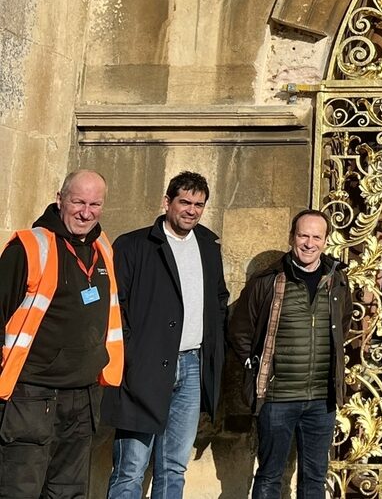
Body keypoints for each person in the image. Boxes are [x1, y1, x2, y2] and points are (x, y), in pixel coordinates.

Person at [103, 171, 229, 498]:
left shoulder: (207, 244)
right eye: (184, 202)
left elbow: (218, 298)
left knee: (174, 465)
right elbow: (116, 306)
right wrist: (133, 353)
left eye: (198, 205)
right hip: (143, 369)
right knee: (131, 467)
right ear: (167, 202)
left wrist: (213, 345)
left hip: (191, 366)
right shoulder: (133, 245)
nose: (191, 210)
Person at [0, 169, 124, 497]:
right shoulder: (29, 246)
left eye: (95, 204)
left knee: (69, 493)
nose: (86, 212)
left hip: (83, 396)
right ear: (60, 199)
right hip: (32, 395)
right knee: (19, 490)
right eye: (78, 201)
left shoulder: (103, 248)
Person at [229, 209, 352, 499]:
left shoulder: (338, 283)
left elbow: (342, 327)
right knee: (270, 474)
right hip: (277, 398)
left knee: (314, 477)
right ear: (292, 237)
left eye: (316, 237)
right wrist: (256, 363)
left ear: (325, 241)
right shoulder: (267, 281)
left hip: (322, 400)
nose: (309, 243)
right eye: (303, 235)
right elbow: (239, 329)